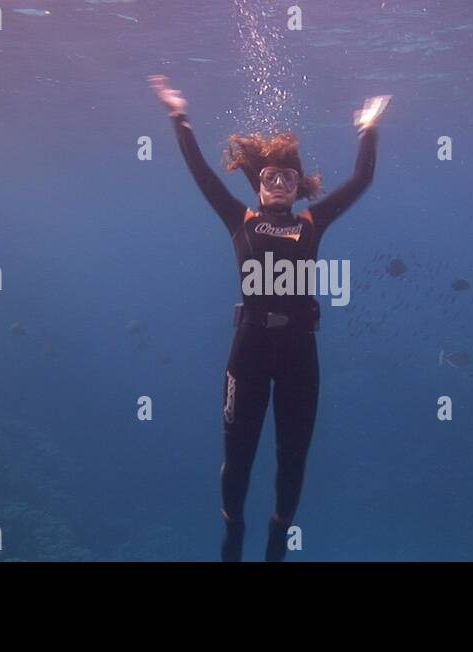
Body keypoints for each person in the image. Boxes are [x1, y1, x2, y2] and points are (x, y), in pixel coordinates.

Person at [149, 74, 390, 561]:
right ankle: (233, 532)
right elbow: (200, 172)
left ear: (299, 187)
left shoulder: (310, 223)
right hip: (250, 350)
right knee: (237, 456)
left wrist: (368, 128)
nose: (279, 182)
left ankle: (278, 538)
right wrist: (179, 117)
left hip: (301, 352)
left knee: (292, 457)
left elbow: (362, 180)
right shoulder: (239, 219)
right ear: (257, 185)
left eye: (288, 178)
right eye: (269, 177)